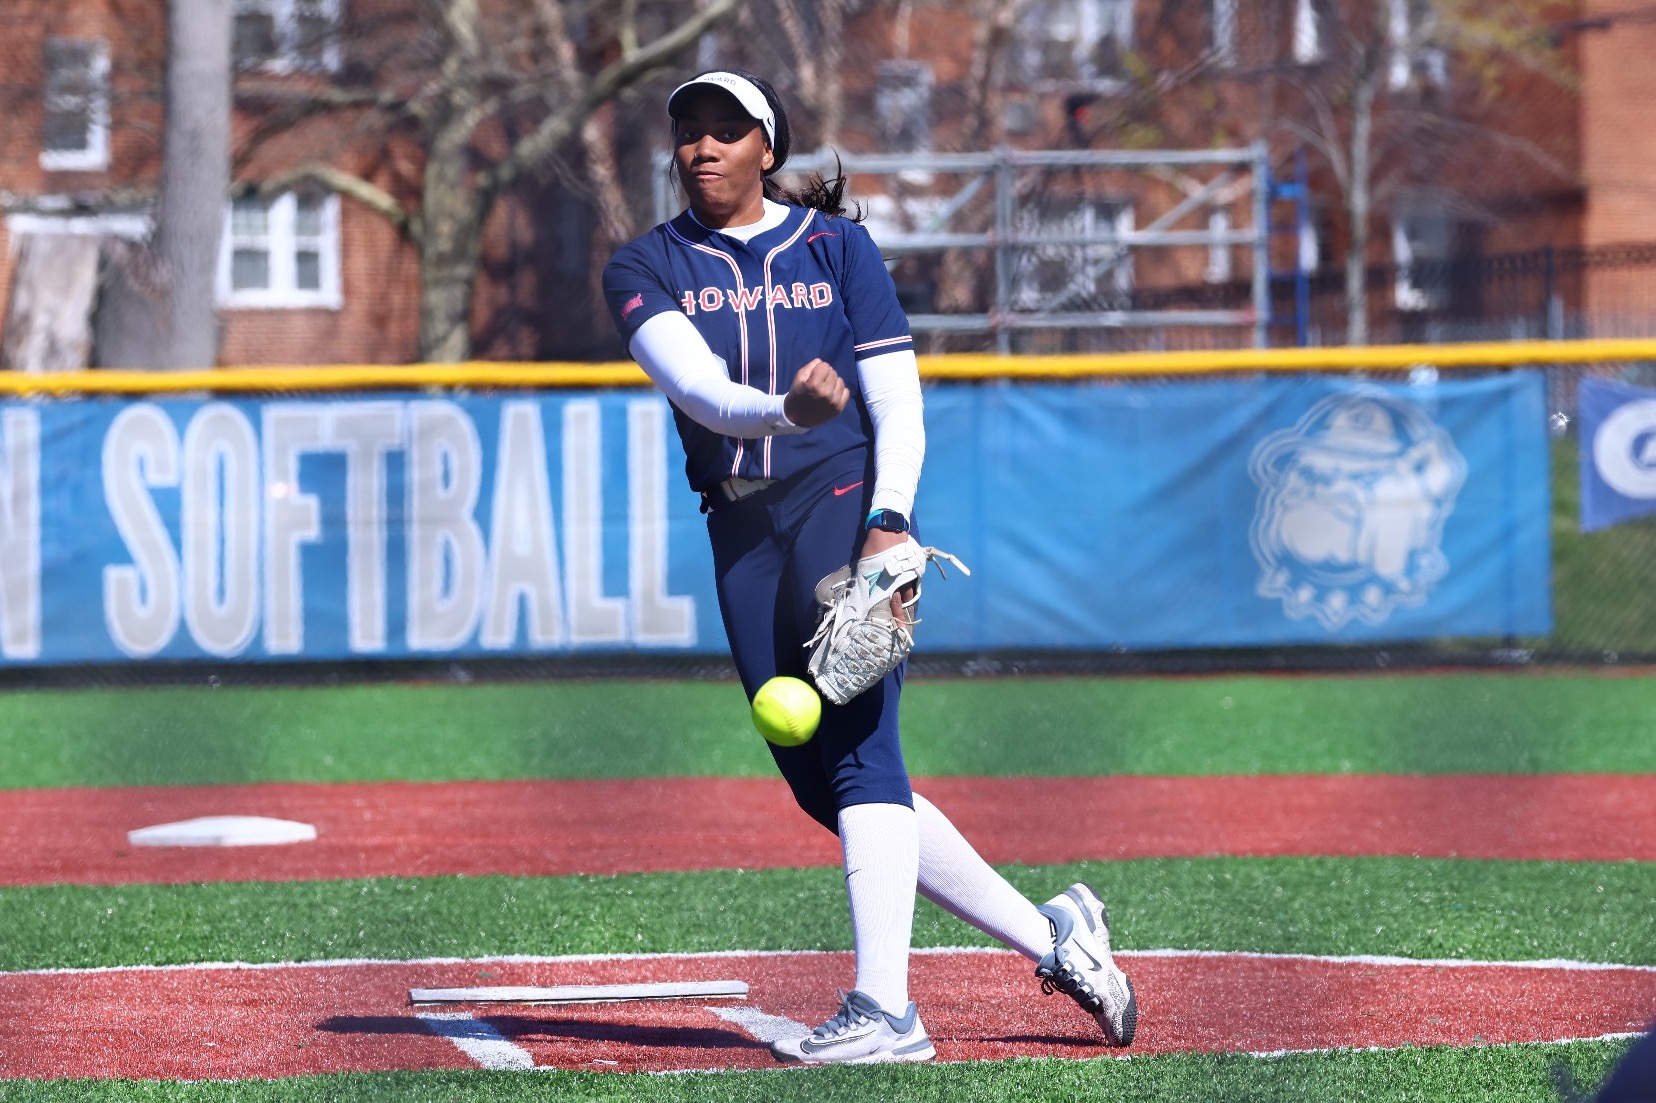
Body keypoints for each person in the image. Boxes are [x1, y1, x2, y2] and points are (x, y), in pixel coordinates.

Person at [602, 68, 1138, 1066]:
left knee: (859, 749)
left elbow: (896, 400)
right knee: (829, 787)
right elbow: (703, 391)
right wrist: (779, 410)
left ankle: (885, 1009)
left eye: (729, 129)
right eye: (690, 132)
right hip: (742, 529)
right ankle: (1058, 936)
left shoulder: (839, 247)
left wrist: (892, 522)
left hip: (847, 501)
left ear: (771, 148)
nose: (704, 147)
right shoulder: (645, 263)